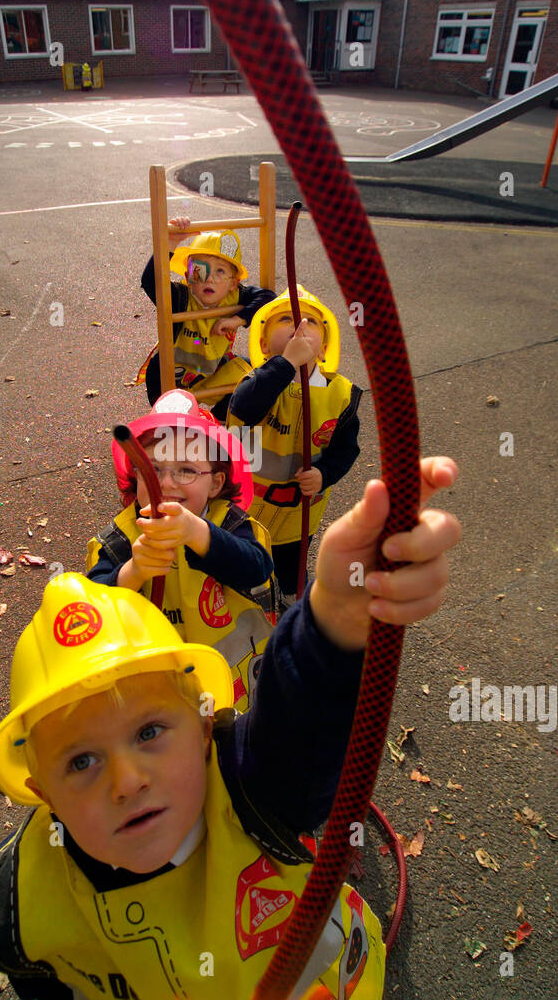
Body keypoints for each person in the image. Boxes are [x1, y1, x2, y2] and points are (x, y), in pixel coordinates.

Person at [0, 456, 461, 1000]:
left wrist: (336, 620)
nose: (127, 781)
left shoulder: (250, 789)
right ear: (38, 788)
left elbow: (303, 728)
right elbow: (35, 966)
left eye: (150, 733)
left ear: (206, 725)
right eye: (81, 761)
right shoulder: (17, 892)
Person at [85, 389, 276, 712]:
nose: (167, 484)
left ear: (215, 484)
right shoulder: (119, 540)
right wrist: (133, 572)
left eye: (186, 470)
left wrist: (197, 533)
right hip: (152, 698)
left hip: (232, 689)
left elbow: (257, 569)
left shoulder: (227, 523)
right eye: (154, 469)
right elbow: (90, 610)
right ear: (136, 473)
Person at [227, 285, 362, 601]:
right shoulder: (256, 381)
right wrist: (285, 364)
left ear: (324, 345)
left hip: (300, 511)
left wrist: (325, 474)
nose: (299, 324)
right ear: (263, 341)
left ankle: (289, 602)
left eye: (311, 322)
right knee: (246, 565)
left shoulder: (340, 395)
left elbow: (346, 448)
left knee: (291, 570)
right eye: (286, 319)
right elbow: (244, 408)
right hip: (250, 509)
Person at [138, 217, 276, 421]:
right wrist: (170, 243)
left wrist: (237, 319)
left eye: (220, 271)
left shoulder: (235, 297)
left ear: (233, 283)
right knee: (173, 422)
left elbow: (268, 297)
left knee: (250, 374)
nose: (210, 278)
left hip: (210, 371)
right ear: (188, 276)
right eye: (201, 270)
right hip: (170, 373)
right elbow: (150, 281)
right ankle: (173, 426)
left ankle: (218, 418)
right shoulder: (180, 298)